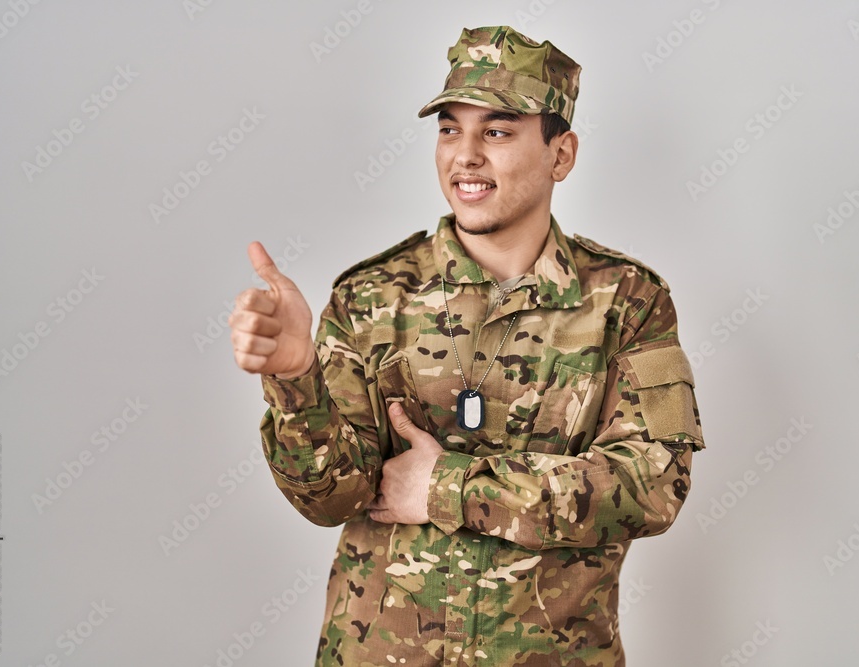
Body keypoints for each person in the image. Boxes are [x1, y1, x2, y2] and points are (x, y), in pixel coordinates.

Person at [229, 25, 705, 666]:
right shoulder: (372, 298)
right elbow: (329, 498)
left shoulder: (627, 301)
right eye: (450, 128)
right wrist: (296, 377)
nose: (466, 155)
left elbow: (653, 485)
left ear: (560, 155)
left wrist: (446, 488)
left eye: (499, 131)